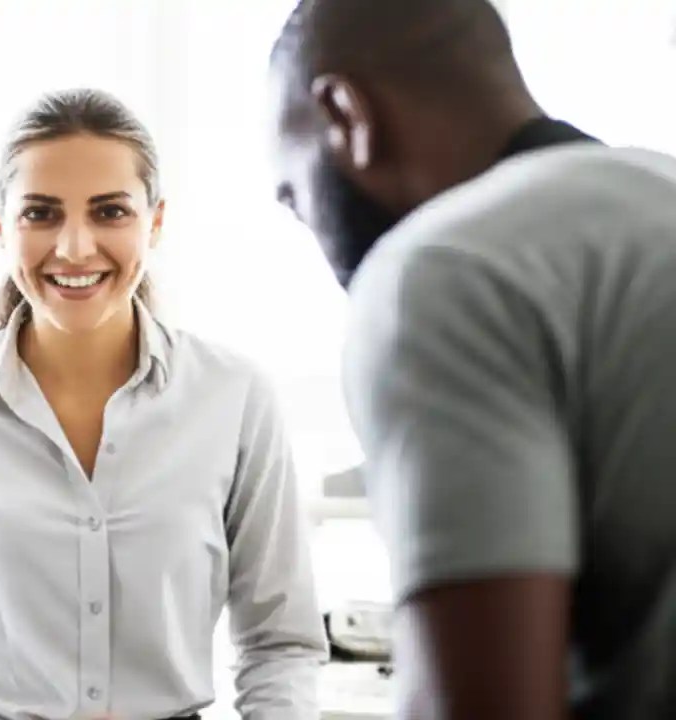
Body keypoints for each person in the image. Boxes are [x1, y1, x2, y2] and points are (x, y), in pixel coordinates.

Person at [0, 88, 327, 720]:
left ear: (157, 221)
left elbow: (280, 643)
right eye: (40, 213)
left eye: (110, 212)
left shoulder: (234, 399)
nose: (73, 248)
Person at [266, 1, 676, 718]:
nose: (312, 232)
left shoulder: (444, 268)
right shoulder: (655, 198)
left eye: (296, 196)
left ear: (347, 117)